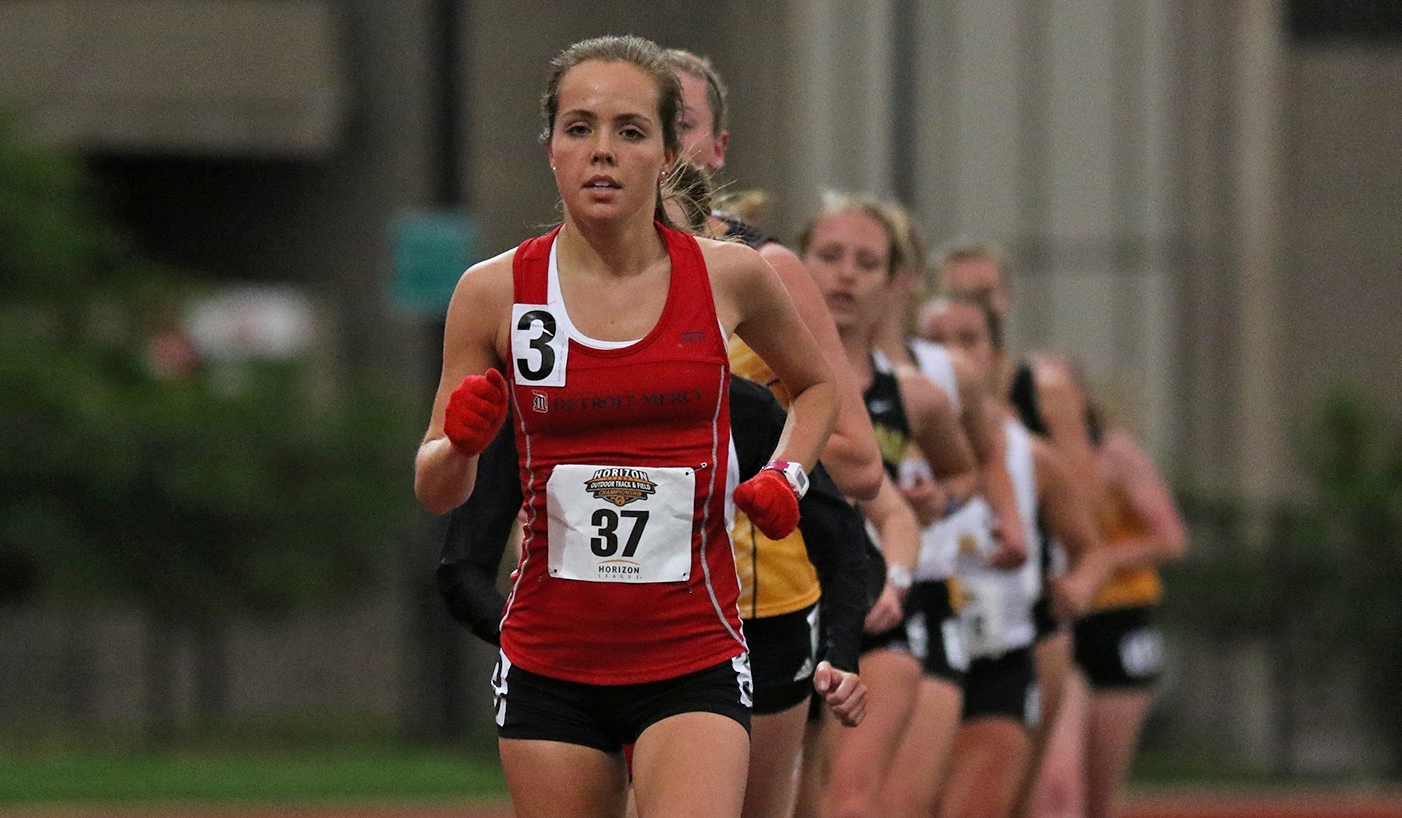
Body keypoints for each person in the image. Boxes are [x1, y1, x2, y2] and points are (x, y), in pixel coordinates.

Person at [412, 35, 858, 818]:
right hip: (553, 658)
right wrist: (463, 441)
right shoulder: (494, 292)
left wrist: (786, 471)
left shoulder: (730, 276)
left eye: (629, 130)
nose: (602, 153)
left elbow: (818, 385)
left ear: (665, 153)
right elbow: (436, 486)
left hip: (693, 653)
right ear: (549, 148)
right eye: (578, 128)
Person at [665, 50, 896, 818]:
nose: (657, 145)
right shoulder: (568, 277)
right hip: (621, 599)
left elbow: (860, 462)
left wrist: (764, 429)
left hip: (752, 605)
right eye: (637, 126)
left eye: (680, 124)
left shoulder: (764, 269)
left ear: (717, 149)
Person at [796, 191, 985, 818]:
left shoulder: (916, 396)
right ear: (795, 264)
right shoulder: (754, 376)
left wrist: (941, 497)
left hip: (876, 605)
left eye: (867, 262)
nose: (846, 273)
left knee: (854, 803)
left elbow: (966, 471)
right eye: (829, 255)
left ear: (893, 283)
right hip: (770, 601)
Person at [917, 291, 1108, 818]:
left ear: (998, 360)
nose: (953, 355)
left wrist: (1079, 586)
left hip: (997, 657)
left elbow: (1089, 548)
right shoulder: (889, 439)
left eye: (969, 339)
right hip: (911, 656)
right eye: (936, 341)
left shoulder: (1033, 457)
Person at [1029, 395, 1186, 818]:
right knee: (1058, 788)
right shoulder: (1028, 453)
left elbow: (1170, 539)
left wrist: (1100, 558)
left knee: (1099, 792)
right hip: (1058, 621)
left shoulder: (1116, 454)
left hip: (1118, 619)